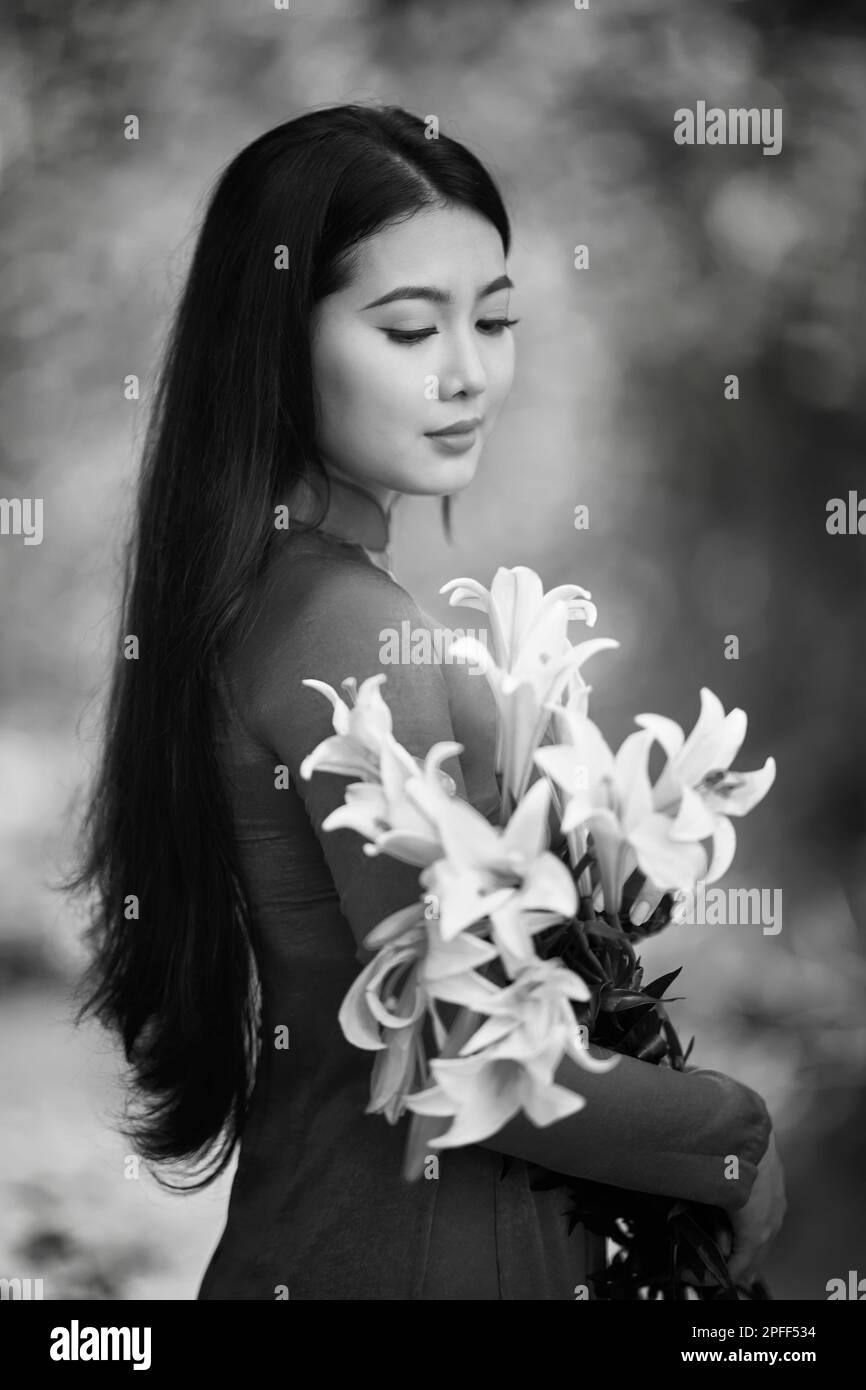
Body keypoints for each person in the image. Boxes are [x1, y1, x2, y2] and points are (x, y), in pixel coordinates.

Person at [68, 104, 785, 1300]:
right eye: (409, 327)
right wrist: (728, 1133)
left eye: (494, 318)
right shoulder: (353, 627)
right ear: (274, 342)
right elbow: (465, 1046)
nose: (468, 372)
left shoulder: (269, 598)